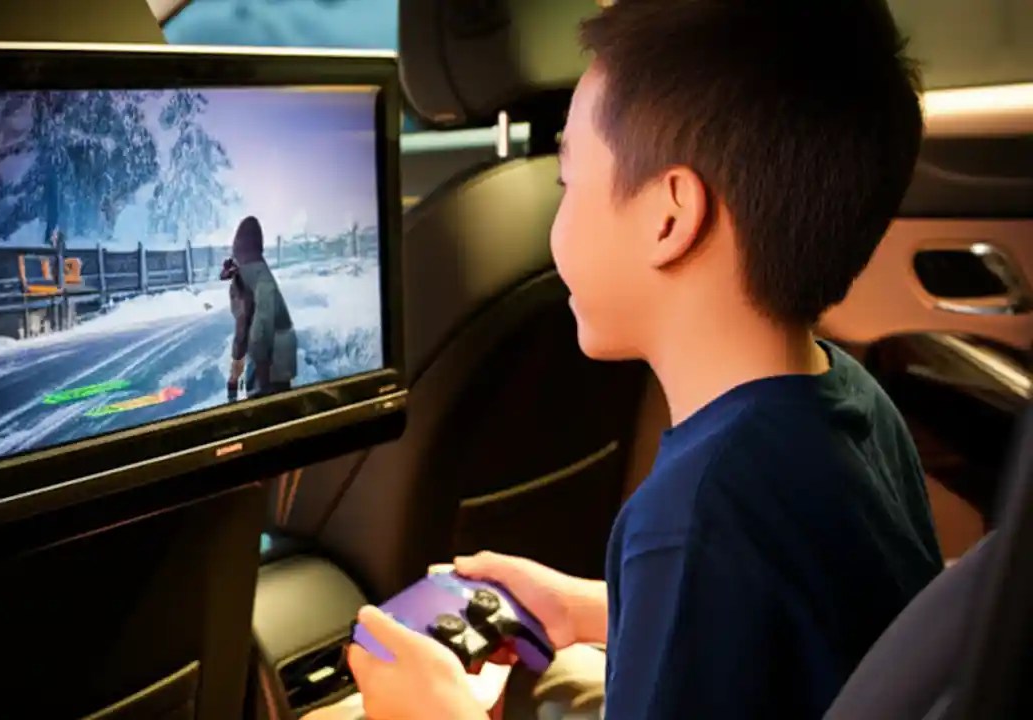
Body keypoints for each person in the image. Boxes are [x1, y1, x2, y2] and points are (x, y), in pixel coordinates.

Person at [305, 1, 944, 718]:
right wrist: (586, 607)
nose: (558, 215)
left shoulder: (697, 510)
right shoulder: (851, 404)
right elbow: (800, 629)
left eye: (567, 183)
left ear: (669, 218)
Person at [225, 215, 297, 399]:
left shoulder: (249, 279)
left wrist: (239, 377)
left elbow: (249, 330)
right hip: (277, 360)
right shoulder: (261, 275)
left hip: (267, 365)